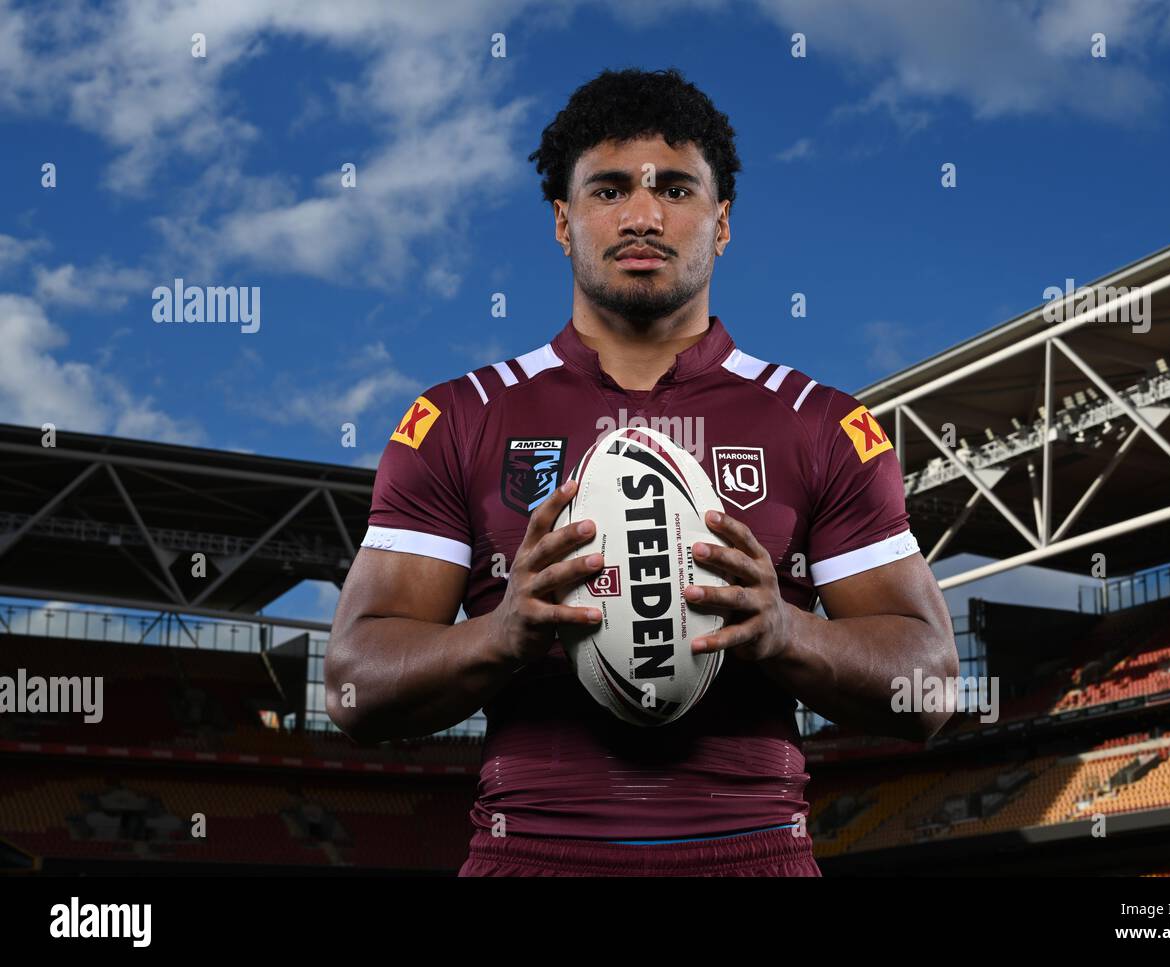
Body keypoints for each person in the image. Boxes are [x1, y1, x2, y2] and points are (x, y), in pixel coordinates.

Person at [326, 67, 957, 876]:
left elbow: (931, 691)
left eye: (678, 189)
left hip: (754, 852)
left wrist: (783, 631)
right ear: (563, 220)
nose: (644, 216)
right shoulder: (457, 418)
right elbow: (351, 689)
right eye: (610, 188)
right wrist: (501, 635)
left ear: (722, 222)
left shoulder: (822, 423)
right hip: (530, 853)